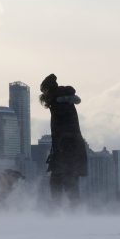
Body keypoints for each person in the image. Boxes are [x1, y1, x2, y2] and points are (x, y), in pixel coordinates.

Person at [40, 74, 88, 206]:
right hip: (67, 149)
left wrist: (59, 151)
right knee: (66, 184)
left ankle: (65, 216)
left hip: (67, 151)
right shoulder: (62, 102)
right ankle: (69, 215)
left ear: (49, 91)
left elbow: (64, 132)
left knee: (65, 184)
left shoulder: (58, 104)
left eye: (44, 91)